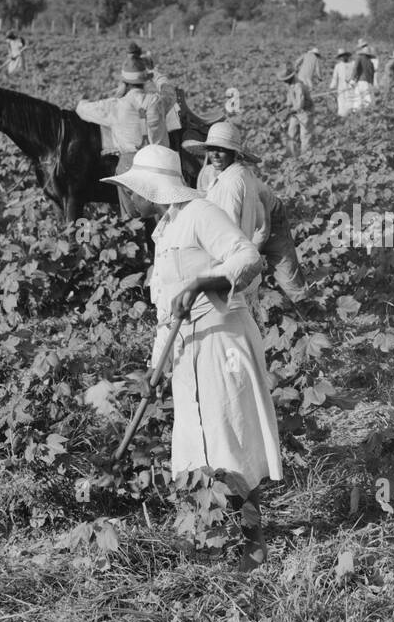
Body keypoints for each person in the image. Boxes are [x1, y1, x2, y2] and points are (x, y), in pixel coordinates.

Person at [104, 145, 279, 571]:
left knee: (228, 440)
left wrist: (204, 282)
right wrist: (153, 367)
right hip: (185, 349)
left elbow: (247, 257)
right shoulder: (164, 231)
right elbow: (167, 308)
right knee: (198, 447)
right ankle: (217, 535)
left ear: (152, 190)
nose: (127, 200)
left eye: (132, 191)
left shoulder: (201, 214)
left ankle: (255, 542)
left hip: (220, 341)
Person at [184, 123, 308, 304]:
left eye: (222, 150)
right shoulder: (208, 174)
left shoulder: (236, 182)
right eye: (212, 149)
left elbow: (250, 232)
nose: (215, 155)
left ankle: (305, 308)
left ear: (235, 153)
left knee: (285, 269)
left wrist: (246, 259)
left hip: (270, 216)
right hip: (245, 220)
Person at [76, 50, 168, 218]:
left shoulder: (115, 106)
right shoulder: (158, 101)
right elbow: (169, 92)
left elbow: (82, 109)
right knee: (162, 213)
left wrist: (117, 93)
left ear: (124, 83)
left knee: (132, 216)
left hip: (130, 165)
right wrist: (155, 73)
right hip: (159, 164)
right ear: (145, 81)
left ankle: (134, 229)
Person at [279, 63, 314, 156]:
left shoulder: (299, 86)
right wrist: (283, 106)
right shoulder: (290, 85)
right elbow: (290, 101)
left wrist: (288, 112)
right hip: (295, 113)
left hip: (305, 112)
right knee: (291, 132)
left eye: (286, 79)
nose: (285, 82)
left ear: (290, 77)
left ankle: (306, 157)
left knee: (305, 135)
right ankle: (291, 154)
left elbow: (299, 105)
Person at [329, 48, 354, 117]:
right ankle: (342, 118)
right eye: (341, 56)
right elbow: (335, 78)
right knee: (342, 105)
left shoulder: (353, 64)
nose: (343, 57)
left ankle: (352, 117)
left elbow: (356, 75)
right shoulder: (338, 66)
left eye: (344, 55)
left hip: (351, 88)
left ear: (347, 56)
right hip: (341, 89)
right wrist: (332, 87)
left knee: (352, 103)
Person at [352, 42, 375, 111]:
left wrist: (352, 80)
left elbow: (355, 69)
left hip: (361, 82)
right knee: (367, 101)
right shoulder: (371, 63)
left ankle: (356, 116)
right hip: (369, 84)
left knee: (358, 100)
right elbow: (372, 76)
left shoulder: (359, 58)